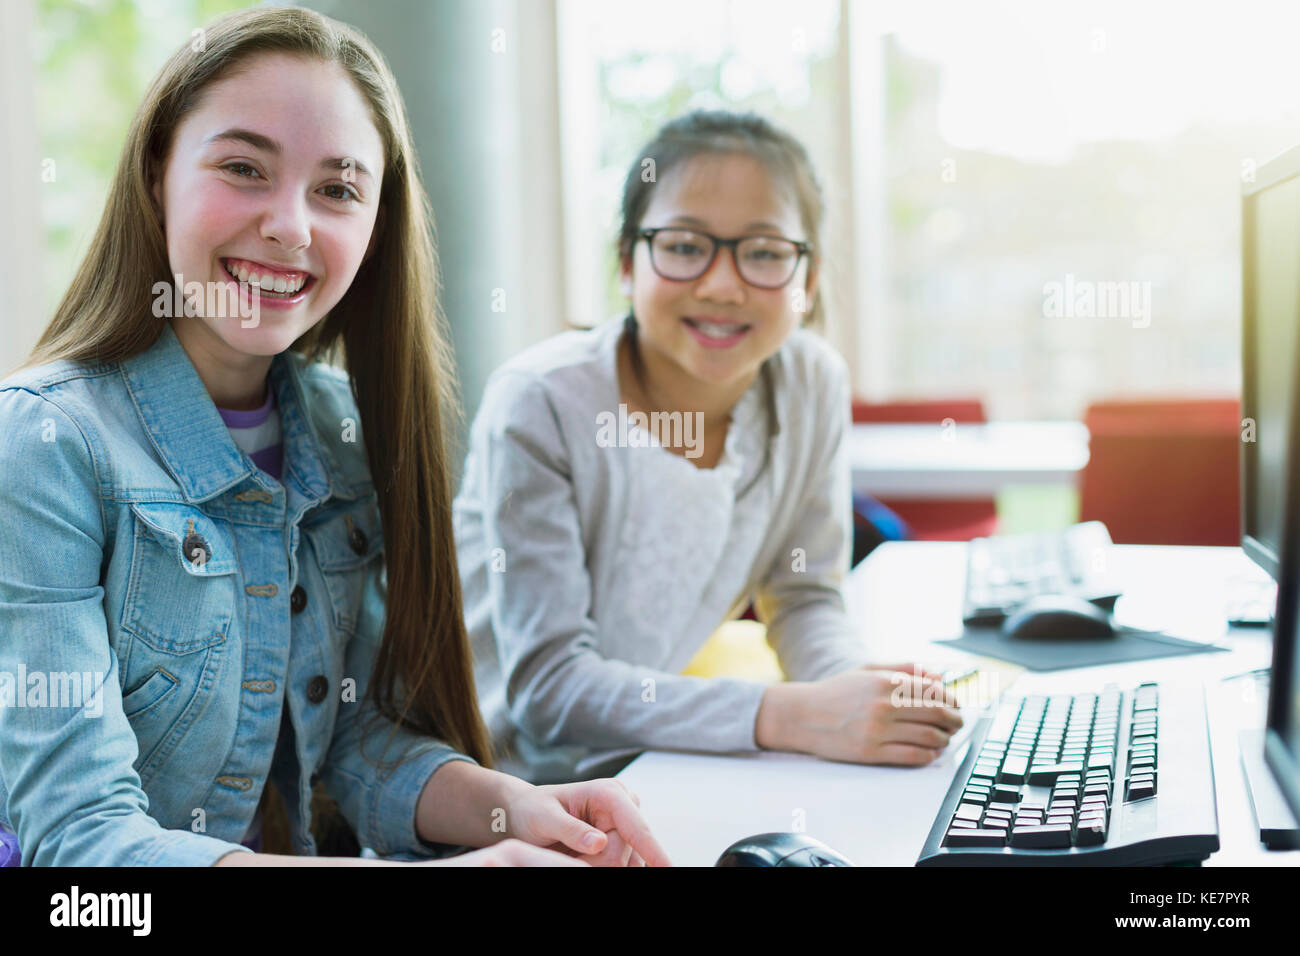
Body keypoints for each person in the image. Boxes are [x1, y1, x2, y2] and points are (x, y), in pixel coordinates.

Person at [0, 6, 667, 868]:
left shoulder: (338, 429)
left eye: (338, 190)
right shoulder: (46, 443)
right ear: (158, 171)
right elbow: (80, 843)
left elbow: (354, 739)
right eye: (244, 167)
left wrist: (516, 813)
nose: (291, 226)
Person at [454, 110, 963, 785]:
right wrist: (798, 716)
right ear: (627, 266)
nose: (723, 285)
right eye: (686, 246)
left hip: (660, 763)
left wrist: (853, 693)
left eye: (763, 252)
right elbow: (549, 689)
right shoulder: (542, 401)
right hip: (499, 792)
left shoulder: (811, 383)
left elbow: (805, 595)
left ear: (807, 284)